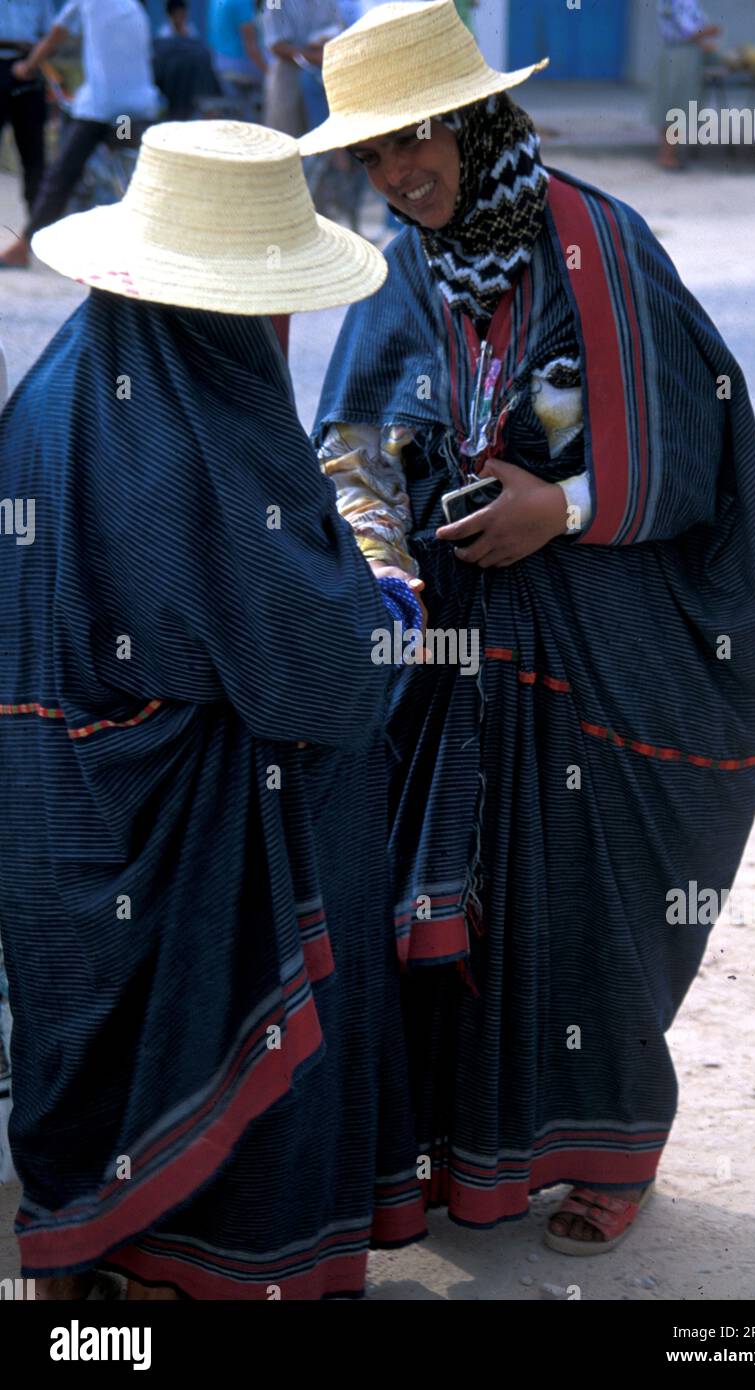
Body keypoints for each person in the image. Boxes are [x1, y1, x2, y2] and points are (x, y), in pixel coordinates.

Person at [308, 1, 755, 1253]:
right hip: (454, 647)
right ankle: (471, 1152)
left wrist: (559, 504)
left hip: (605, 647)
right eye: (368, 155)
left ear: (475, 119)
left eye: (414, 139)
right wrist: (377, 554)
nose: (396, 175)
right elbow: (351, 435)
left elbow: (699, 441)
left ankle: (610, 1144)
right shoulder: (403, 260)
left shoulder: (599, 247)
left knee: (590, 903)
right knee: (445, 904)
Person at [0, 119, 426, 1299]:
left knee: (82, 1046)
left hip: (57, 808)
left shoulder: (62, 381)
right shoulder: (206, 436)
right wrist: (383, 613)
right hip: (179, 823)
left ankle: (87, 1252)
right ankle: (246, 1255)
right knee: (331, 803)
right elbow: (318, 679)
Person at [0, 0, 161, 269]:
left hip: (99, 110)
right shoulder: (133, 7)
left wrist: (27, 67)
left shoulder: (83, 2)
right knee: (122, 163)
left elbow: (52, 40)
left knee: (62, 174)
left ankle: (23, 246)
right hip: (133, 110)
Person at [0, 1, 55, 223]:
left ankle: (35, 226)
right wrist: (16, 44)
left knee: (34, 155)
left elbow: (51, 35)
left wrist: (32, 59)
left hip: (30, 69)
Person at [653, 0, 720, 170]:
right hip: (679, 54)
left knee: (681, 105)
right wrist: (708, 31)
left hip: (689, 53)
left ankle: (670, 153)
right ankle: (667, 155)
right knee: (674, 104)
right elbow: (687, 31)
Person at [262, 0, 341, 139]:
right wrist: (312, 56)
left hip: (323, 68)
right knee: (288, 135)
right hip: (289, 72)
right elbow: (275, 44)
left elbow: (336, 25)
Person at [208, 0, 265, 120]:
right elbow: (251, 49)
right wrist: (271, 74)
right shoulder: (242, 3)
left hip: (219, 63)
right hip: (238, 64)